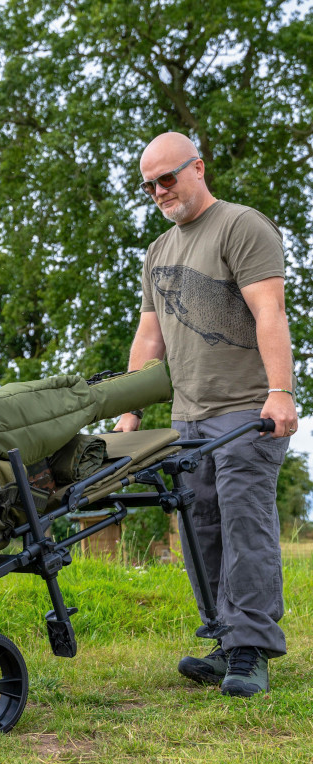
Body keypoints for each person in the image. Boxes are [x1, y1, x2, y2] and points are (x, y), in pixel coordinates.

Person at [115, 131, 298, 697]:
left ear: (198, 167)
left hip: (245, 410)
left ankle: (251, 652)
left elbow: (269, 309)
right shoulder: (158, 252)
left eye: (167, 178)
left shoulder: (243, 226)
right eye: (148, 185)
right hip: (187, 417)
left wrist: (282, 392)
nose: (159, 191)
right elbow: (150, 339)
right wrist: (129, 412)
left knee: (247, 527)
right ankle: (225, 641)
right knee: (203, 531)